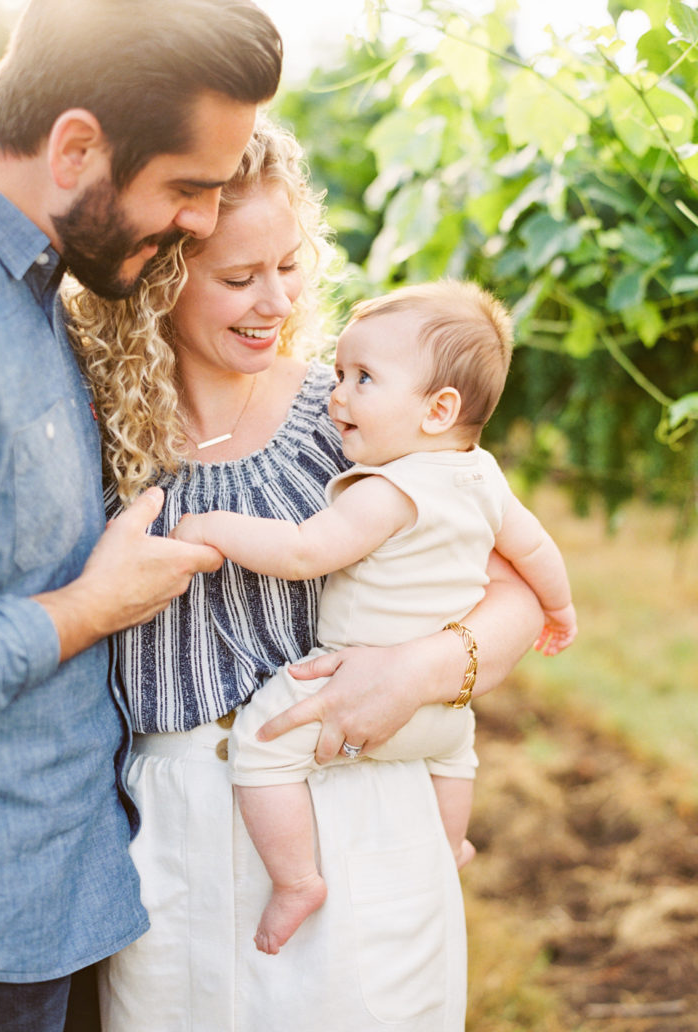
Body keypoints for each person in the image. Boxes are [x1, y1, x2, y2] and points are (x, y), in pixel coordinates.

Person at [68, 118, 544, 1032]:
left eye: (289, 264)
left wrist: (418, 671)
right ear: (159, 275)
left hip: (347, 800)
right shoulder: (95, 431)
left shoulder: (357, 415)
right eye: (239, 278)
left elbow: (517, 590)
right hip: (165, 837)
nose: (276, 299)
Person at [0, 1, 281, 1029]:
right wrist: (93, 607)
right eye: (187, 188)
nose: (204, 222)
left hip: (59, 894)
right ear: (76, 148)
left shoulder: (31, 274)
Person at [174, 278, 578, 954]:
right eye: (338, 374)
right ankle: (451, 845)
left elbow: (303, 551)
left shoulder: (388, 489)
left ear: (438, 409)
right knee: (456, 757)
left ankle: (297, 880)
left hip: (350, 693)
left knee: (262, 746)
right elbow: (535, 551)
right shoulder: (483, 477)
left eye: (362, 378)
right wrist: (559, 611)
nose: (338, 395)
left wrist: (212, 527)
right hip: (444, 715)